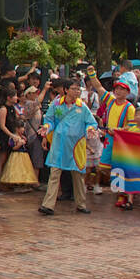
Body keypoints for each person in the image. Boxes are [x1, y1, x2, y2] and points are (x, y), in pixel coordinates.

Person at [39, 78, 97, 215]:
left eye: (79, 89)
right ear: (66, 90)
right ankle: (48, 205)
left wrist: (90, 129)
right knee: (54, 174)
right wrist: (47, 127)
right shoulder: (56, 104)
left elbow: (91, 122)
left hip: (76, 146)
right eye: (74, 88)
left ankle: (81, 204)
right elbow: (49, 120)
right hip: (59, 144)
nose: (77, 91)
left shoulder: (82, 107)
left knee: (78, 176)